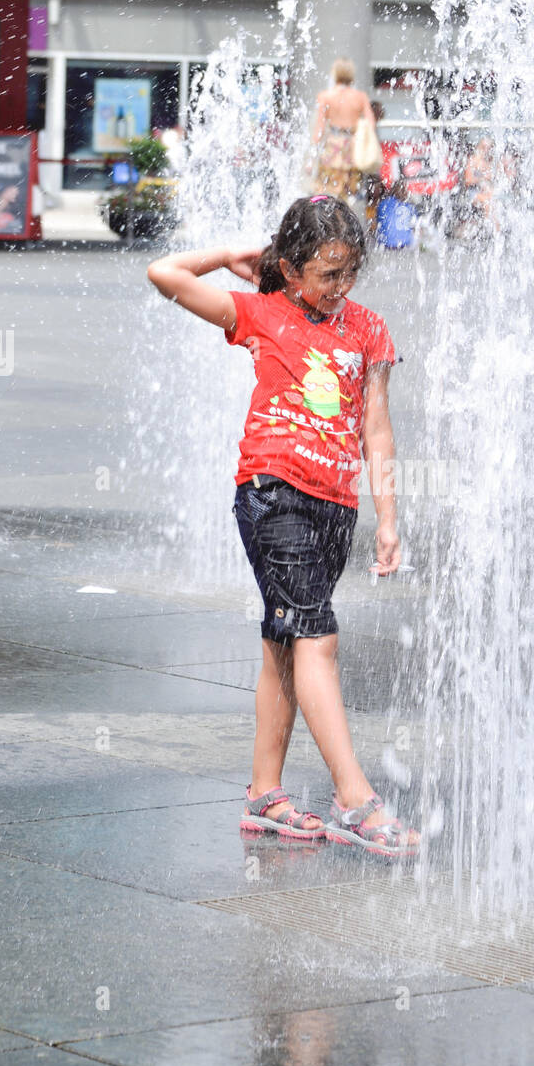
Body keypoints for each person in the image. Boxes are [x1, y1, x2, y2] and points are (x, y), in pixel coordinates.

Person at [146, 195, 419, 856]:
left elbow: (375, 428)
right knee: (317, 638)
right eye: (327, 275)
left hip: (334, 504)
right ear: (290, 271)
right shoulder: (260, 312)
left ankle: (264, 794)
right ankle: (355, 798)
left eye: (349, 272)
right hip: (272, 493)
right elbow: (164, 273)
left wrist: (388, 518)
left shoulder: (367, 329)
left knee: (283, 639)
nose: (340, 288)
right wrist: (229, 254)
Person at [310, 58, 378, 205]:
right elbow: (371, 123)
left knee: (324, 192)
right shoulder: (360, 97)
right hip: (351, 147)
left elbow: (319, 130)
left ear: (334, 74)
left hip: (332, 146)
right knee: (347, 195)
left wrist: (312, 158)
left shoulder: (325, 96)